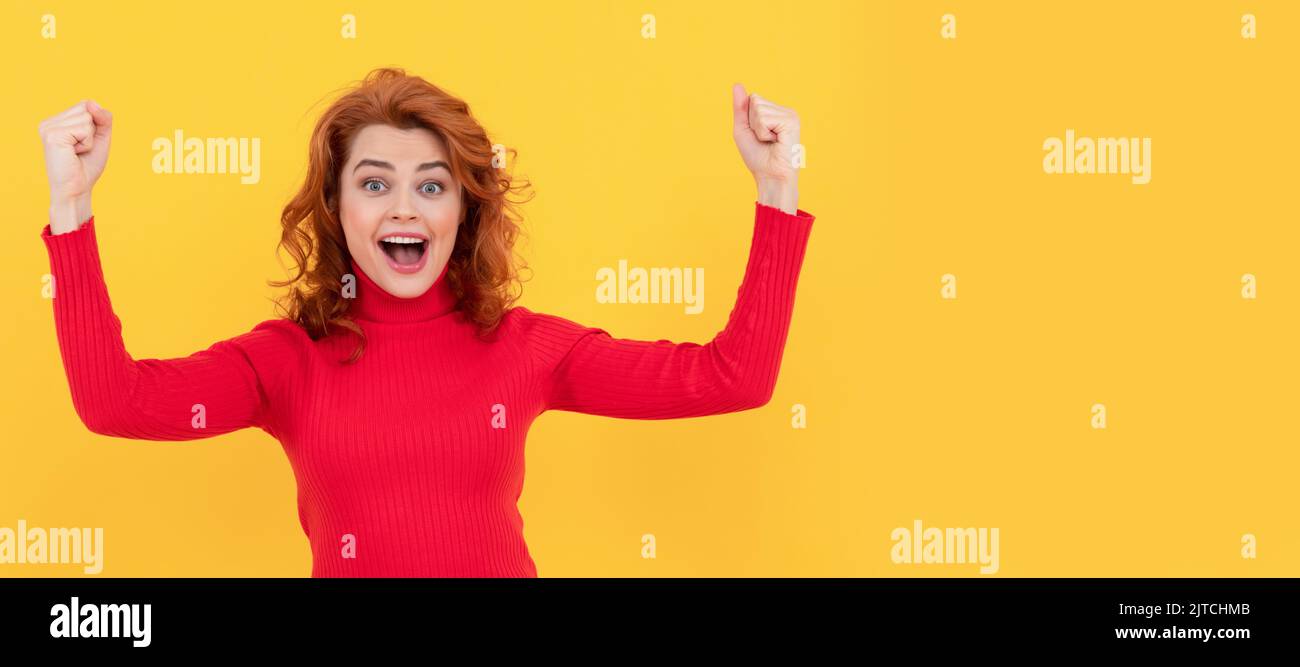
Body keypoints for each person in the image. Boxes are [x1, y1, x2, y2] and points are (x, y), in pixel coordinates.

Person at [38, 67, 816, 577]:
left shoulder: (526, 350)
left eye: (432, 186)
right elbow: (116, 403)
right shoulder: (288, 361)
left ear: (463, 211)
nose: (405, 206)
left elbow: (733, 377)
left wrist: (776, 187)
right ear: (339, 210)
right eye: (375, 183)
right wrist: (72, 209)